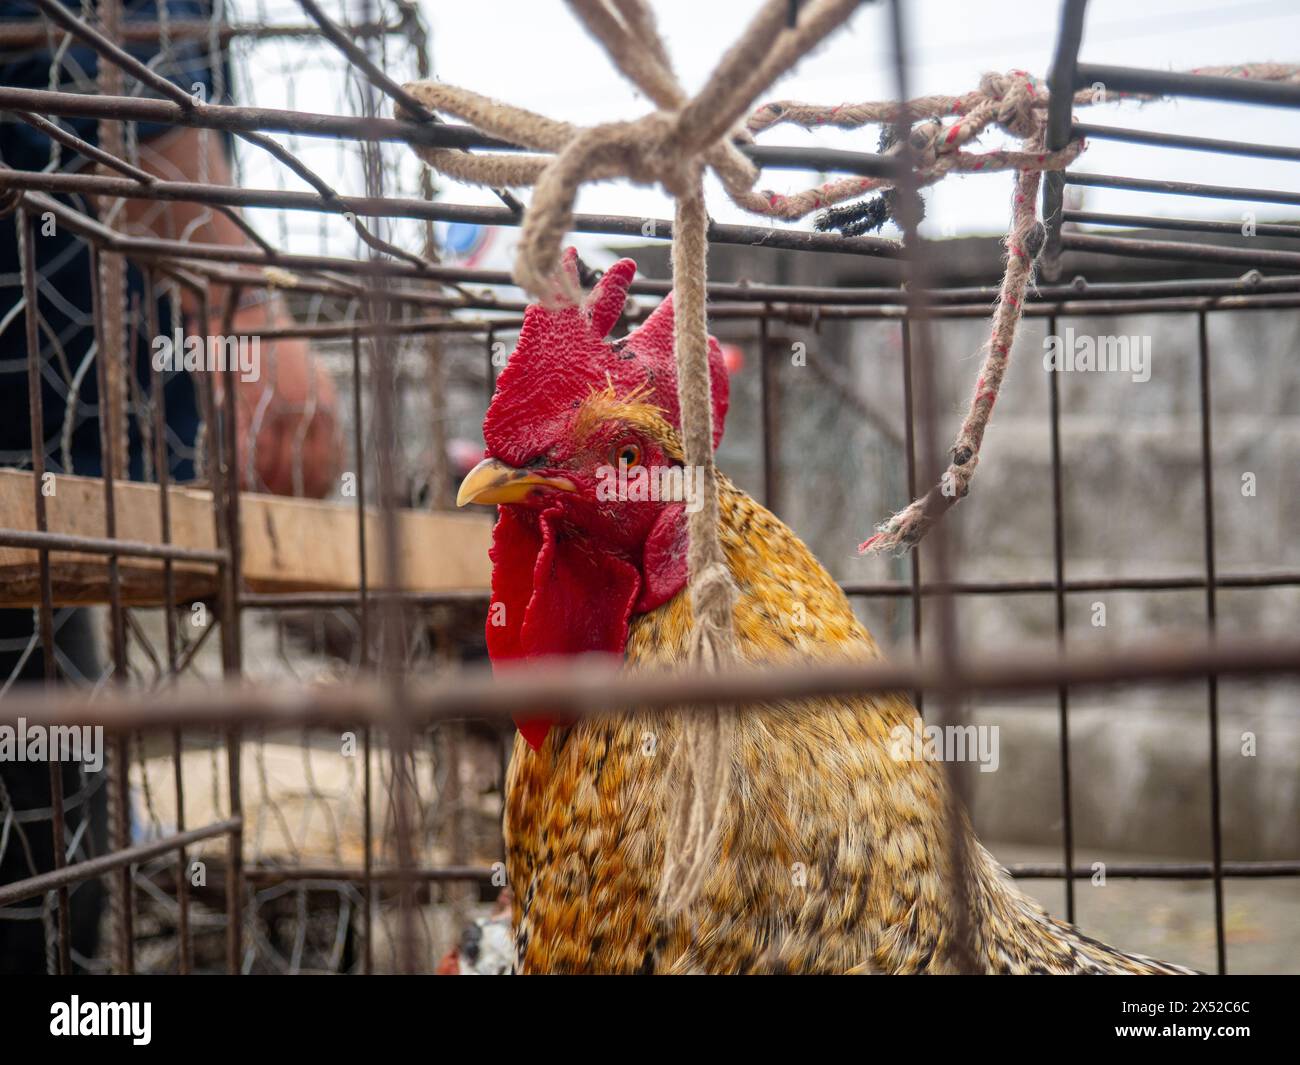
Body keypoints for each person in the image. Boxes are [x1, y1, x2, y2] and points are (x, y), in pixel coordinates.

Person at [0, 0, 342, 972]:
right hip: (42, 460)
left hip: (54, 478)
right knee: (46, 880)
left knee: (53, 833)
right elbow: (154, 114)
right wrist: (253, 324)